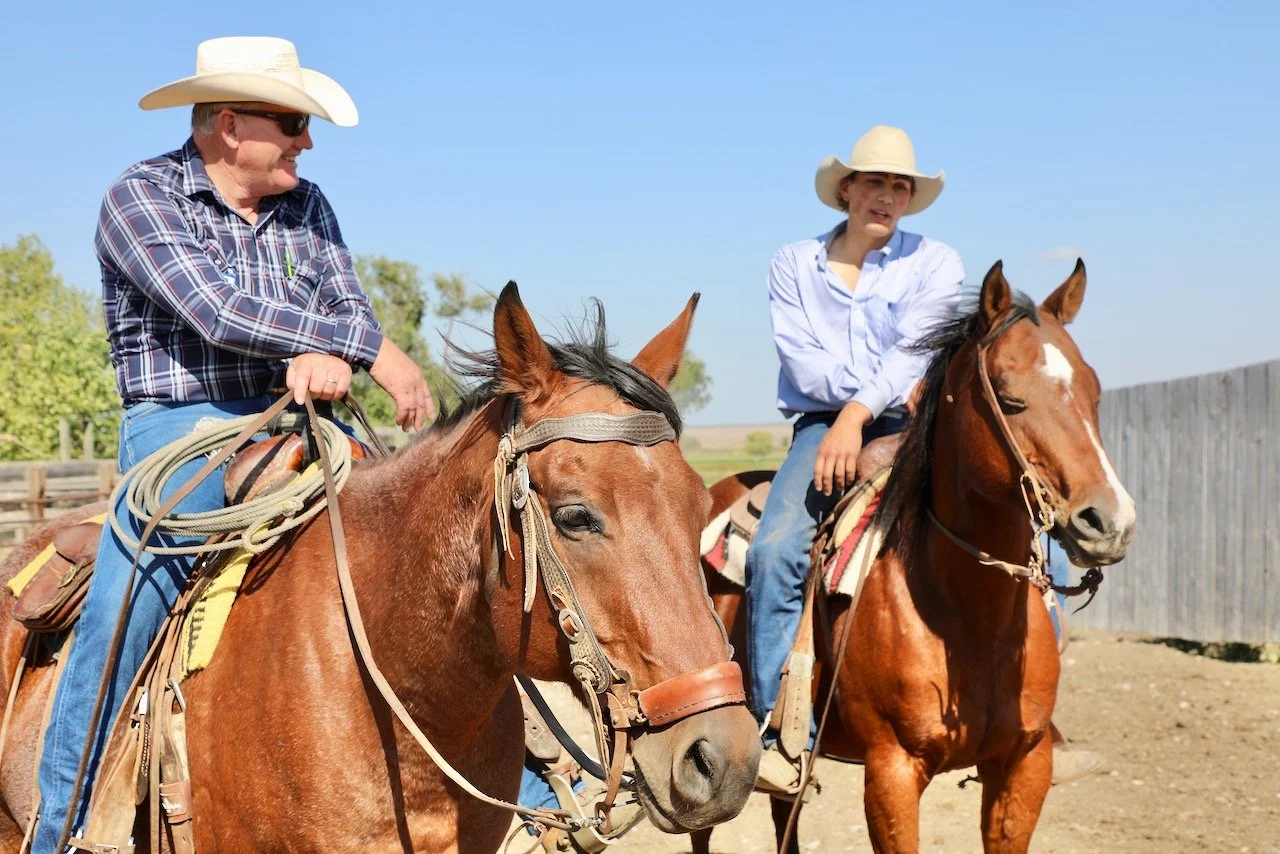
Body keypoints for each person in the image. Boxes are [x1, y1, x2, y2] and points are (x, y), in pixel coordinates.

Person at [32, 36, 434, 851]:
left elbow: (347, 303)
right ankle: (61, 826)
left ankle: (523, 765)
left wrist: (334, 348)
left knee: (429, 544)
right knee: (128, 598)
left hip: (296, 420)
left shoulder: (309, 206)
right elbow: (214, 311)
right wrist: (355, 350)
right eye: (291, 121)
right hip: (181, 425)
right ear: (226, 124)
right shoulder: (140, 198)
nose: (306, 141)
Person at [746, 124, 965, 793]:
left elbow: (913, 353)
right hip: (821, 424)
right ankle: (775, 730)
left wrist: (859, 413)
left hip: (916, 417)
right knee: (775, 549)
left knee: (1025, 520)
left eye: (901, 185)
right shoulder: (791, 264)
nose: (888, 196)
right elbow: (804, 362)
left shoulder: (936, 262)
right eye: (876, 181)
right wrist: (846, 415)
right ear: (847, 188)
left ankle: (1034, 713)